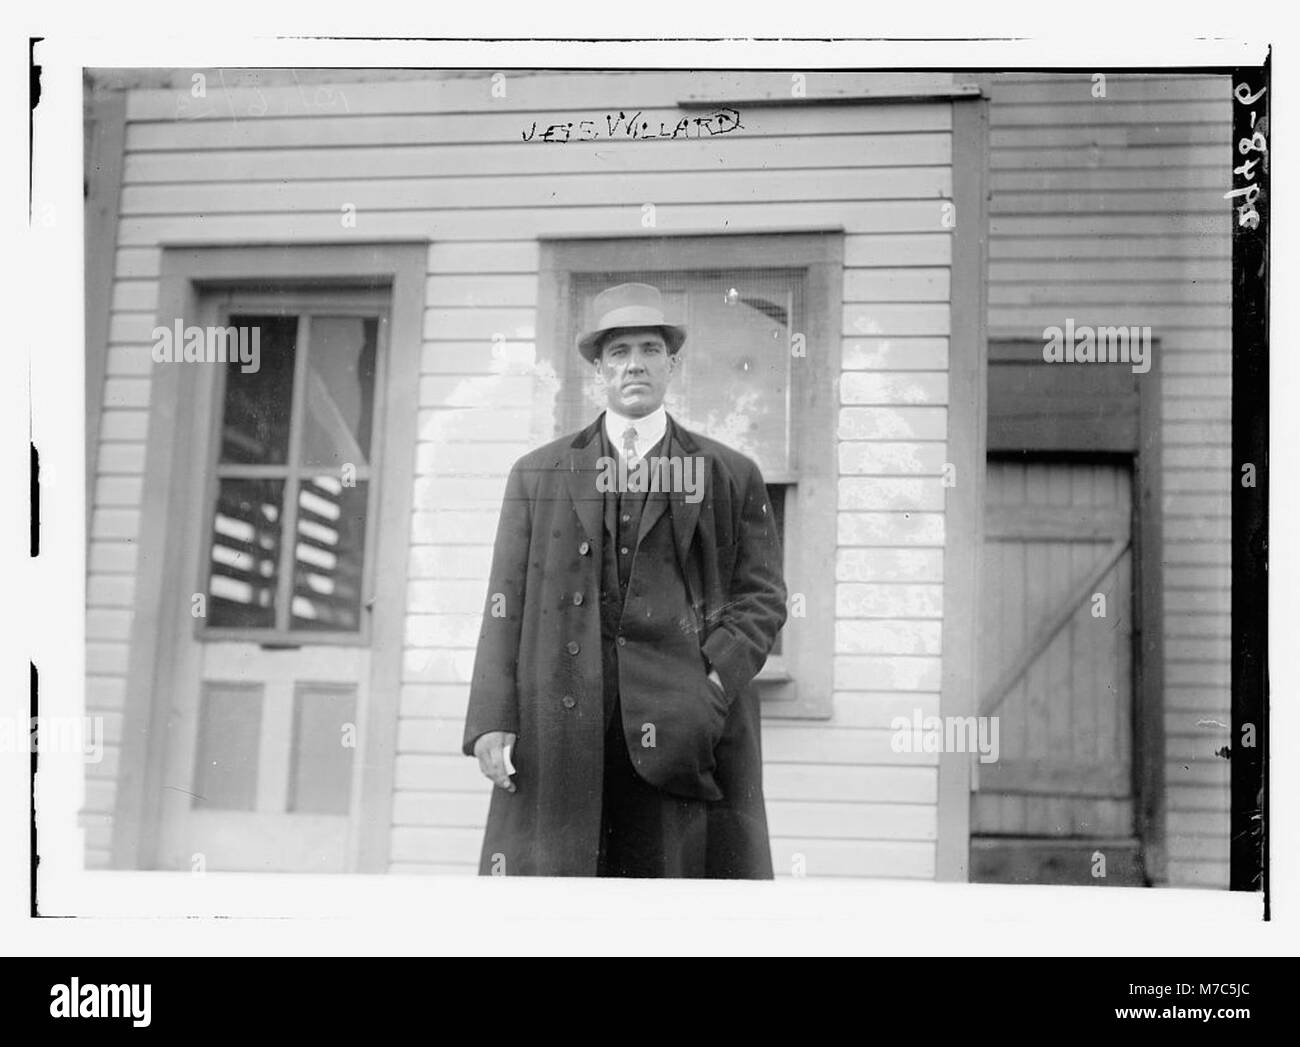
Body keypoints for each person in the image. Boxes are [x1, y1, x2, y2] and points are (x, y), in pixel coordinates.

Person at [462, 282, 787, 877]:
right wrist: (491, 717)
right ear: (599, 369)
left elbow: (762, 598)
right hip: (561, 724)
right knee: (560, 905)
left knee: (675, 906)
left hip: (685, 731)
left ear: (671, 364)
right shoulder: (539, 475)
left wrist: (710, 683)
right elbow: (501, 606)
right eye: (619, 352)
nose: (634, 363)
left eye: (650, 349)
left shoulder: (730, 474)